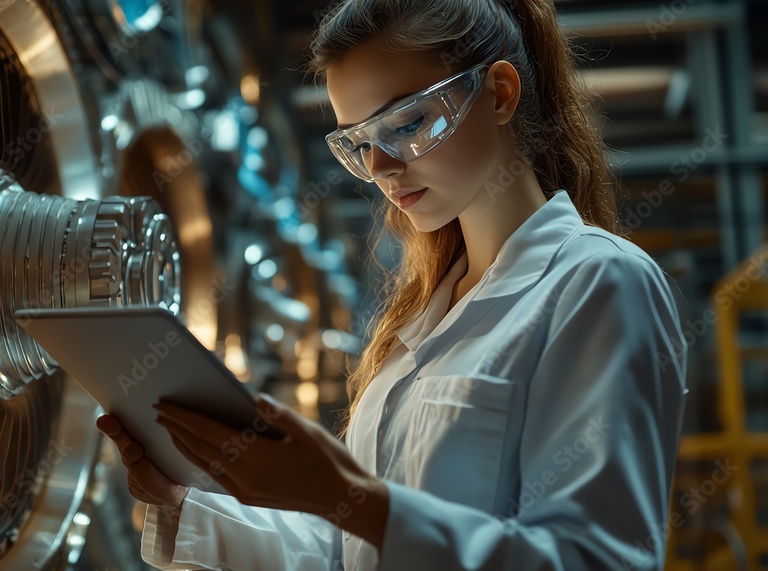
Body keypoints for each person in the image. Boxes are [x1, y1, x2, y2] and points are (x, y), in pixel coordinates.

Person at [95, 0, 689, 568]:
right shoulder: (420, 324)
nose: (380, 167)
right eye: (358, 142)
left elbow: (594, 559)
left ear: (501, 93)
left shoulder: (598, 283)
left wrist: (345, 496)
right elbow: (349, 556)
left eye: (407, 122)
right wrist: (184, 504)